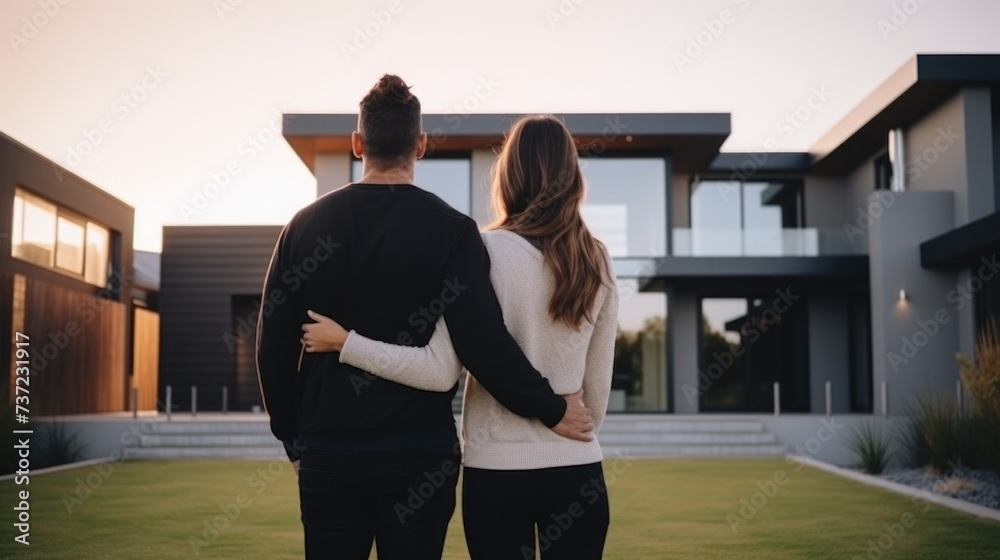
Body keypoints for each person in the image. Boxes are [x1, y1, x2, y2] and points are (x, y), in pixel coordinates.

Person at [255, 76, 595, 560]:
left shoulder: (303, 226)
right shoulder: (453, 230)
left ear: (357, 144)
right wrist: (551, 406)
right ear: (420, 145)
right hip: (420, 459)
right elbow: (481, 341)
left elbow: (272, 346)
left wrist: (293, 441)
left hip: (328, 452)